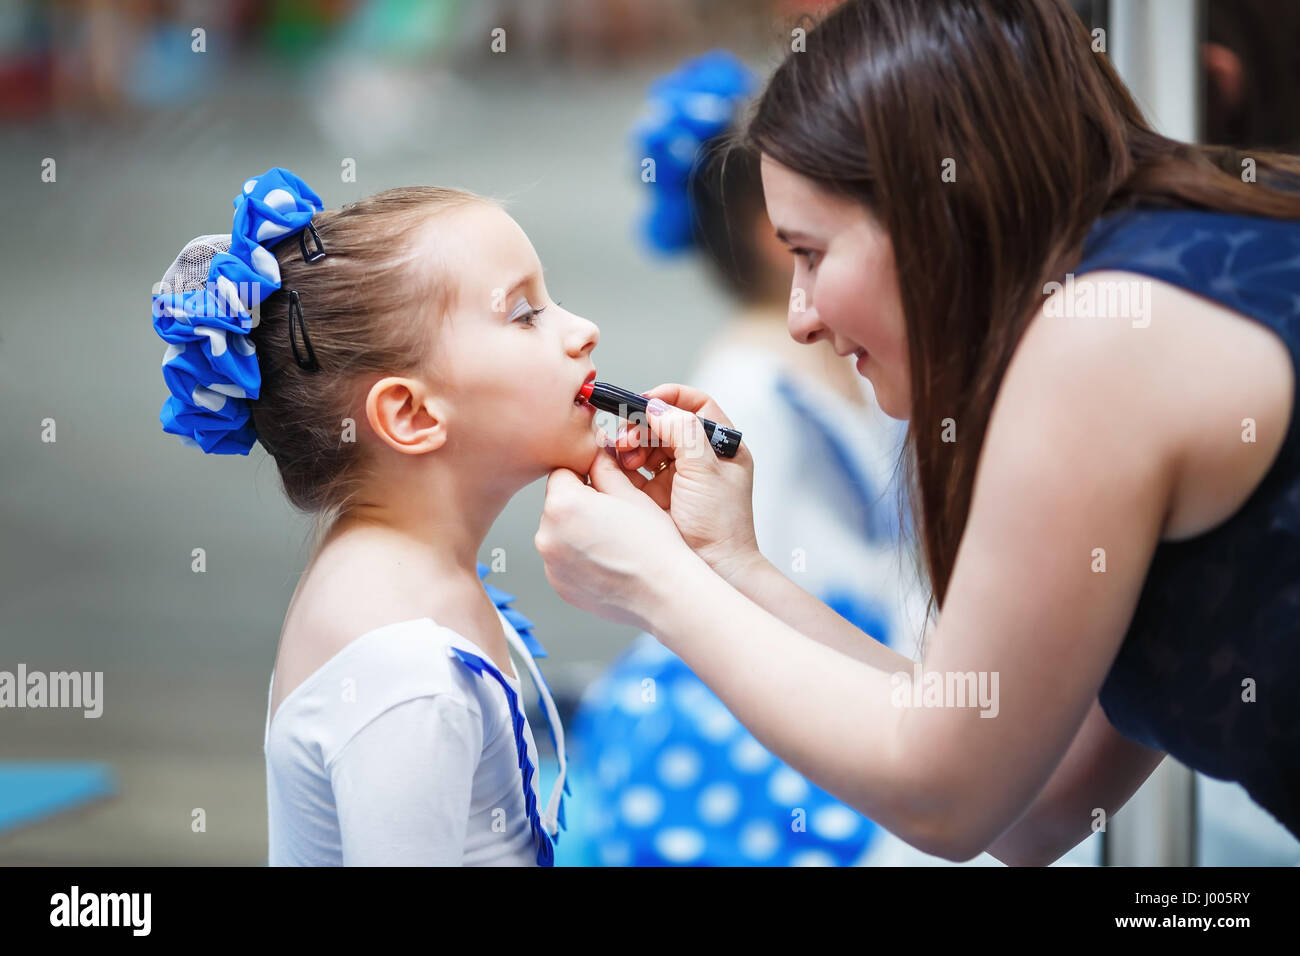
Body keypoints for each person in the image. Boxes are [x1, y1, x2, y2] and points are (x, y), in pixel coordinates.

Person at [533, 0, 1300, 863]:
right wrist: (728, 565)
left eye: (812, 253)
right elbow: (1033, 800)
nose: (800, 318)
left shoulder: (1097, 340)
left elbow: (948, 798)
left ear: (939, 204)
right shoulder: (1168, 258)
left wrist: (654, 586)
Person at [562, 49, 1026, 867]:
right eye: (523, 313)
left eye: (815, 249)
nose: (804, 318)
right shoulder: (754, 382)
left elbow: (1008, 802)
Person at [150, 167, 604, 865]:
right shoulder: (408, 671)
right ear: (411, 414)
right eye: (524, 313)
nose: (583, 331)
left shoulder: (389, 568)